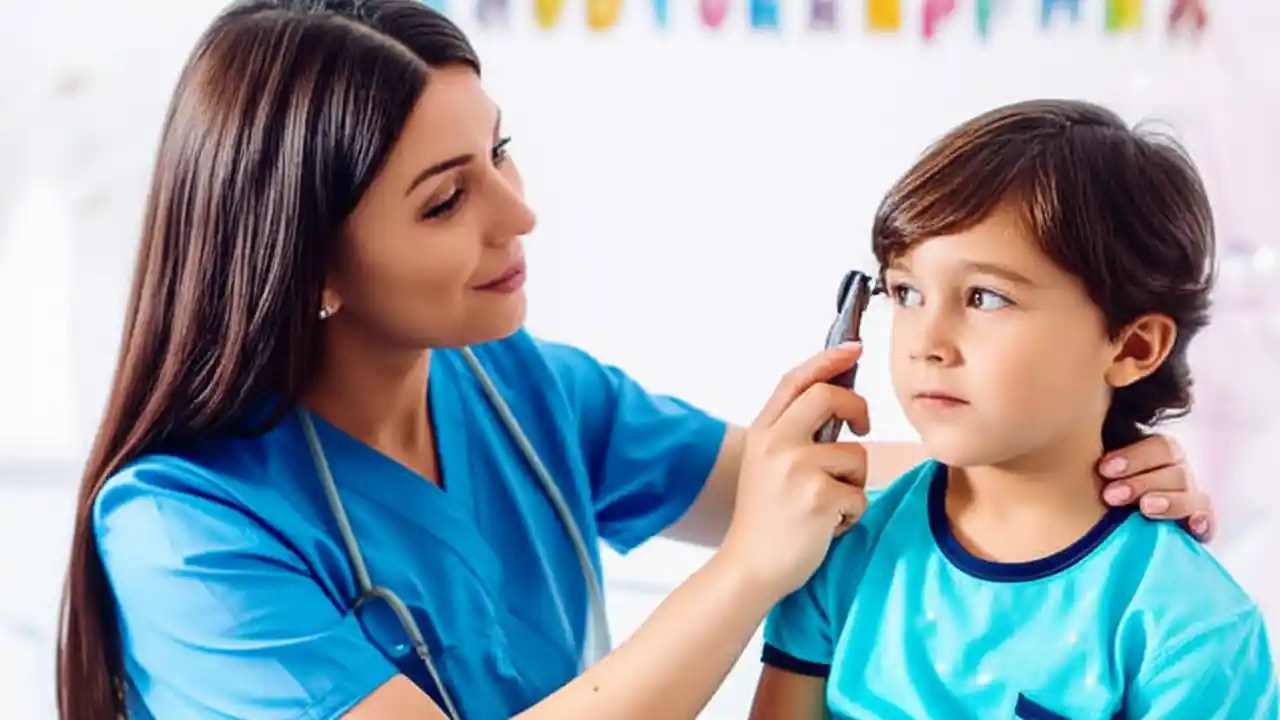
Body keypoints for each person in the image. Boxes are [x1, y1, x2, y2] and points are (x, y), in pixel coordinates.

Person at [55, 4, 1214, 719]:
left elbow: (806, 483)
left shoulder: (524, 397)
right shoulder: (182, 531)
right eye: (448, 197)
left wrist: (1083, 463)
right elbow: (766, 533)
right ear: (312, 265)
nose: (520, 214)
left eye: (498, 151)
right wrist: (745, 572)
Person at [750, 99, 1278, 720]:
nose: (927, 342)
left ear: (1133, 346)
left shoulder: (1193, 628)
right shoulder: (840, 558)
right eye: (906, 292)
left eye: (985, 297)